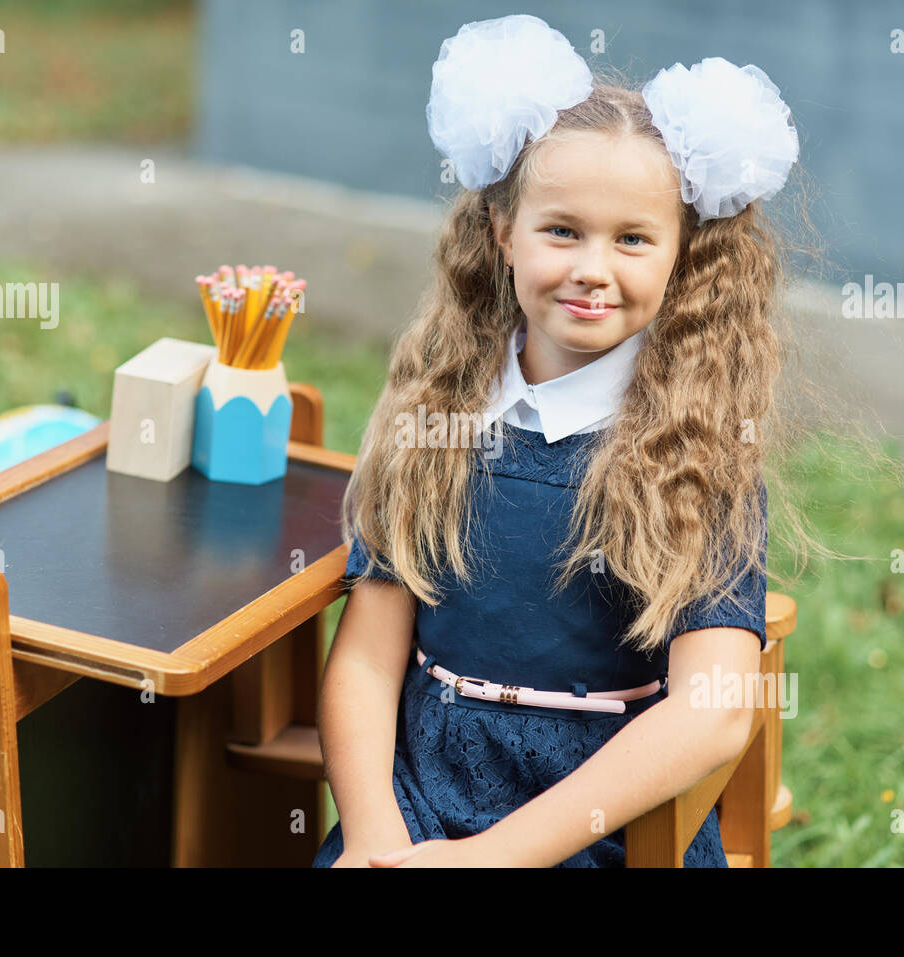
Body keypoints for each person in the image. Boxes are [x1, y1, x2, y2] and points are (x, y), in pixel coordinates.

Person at [314, 13, 800, 868]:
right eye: (562, 230)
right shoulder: (434, 417)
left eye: (634, 239)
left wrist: (493, 858)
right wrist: (378, 839)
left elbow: (715, 708)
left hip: (606, 823)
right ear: (503, 232)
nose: (592, 267)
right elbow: (362, 662)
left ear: (681, 258)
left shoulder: (697, 457)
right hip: (418, 805)